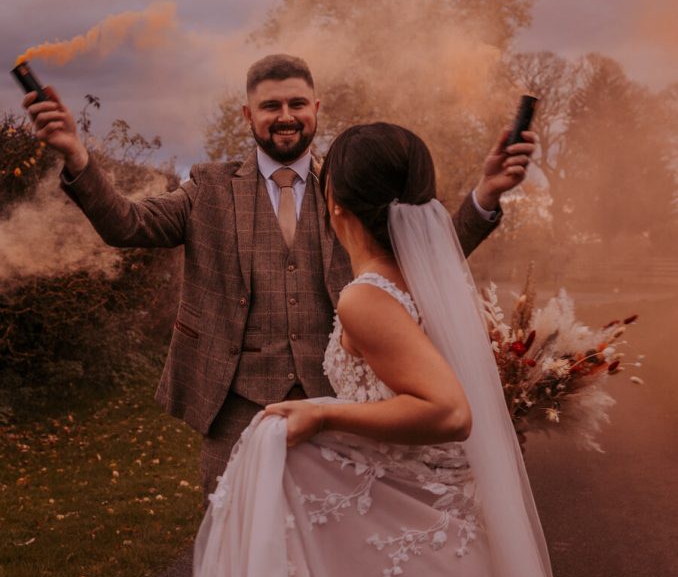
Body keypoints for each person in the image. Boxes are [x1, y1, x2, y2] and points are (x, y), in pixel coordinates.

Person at [186, 123, 618, 577]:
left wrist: (324, 416)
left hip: (412, 563)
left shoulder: (367, 298)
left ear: (333, 203)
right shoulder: (436, 290)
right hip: (449, 548)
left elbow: (447, 411)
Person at [23, 54, 534, 500]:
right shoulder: (209, 187)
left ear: (317, 109)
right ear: (248, 114)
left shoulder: (348, 187)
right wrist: (76, 153)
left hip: (337, 404)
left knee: (329, 561)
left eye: (297, 103)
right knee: (238, 549)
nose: (285, 116)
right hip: (234, 408)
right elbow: (127, 225)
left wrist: (486, 193)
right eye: (271, 106)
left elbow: (424, 251)